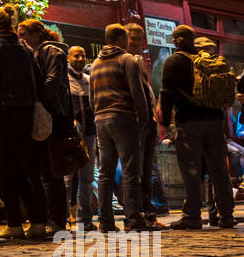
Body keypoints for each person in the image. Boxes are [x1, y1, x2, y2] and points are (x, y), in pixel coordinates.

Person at [0, 6, 47, 239]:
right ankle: (38, 222)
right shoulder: (25, 47)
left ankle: (15, 224)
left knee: (7, 169)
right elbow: (38, 79)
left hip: (1, 112)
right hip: (25, 111)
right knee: (27, 167)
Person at [159, 24, 235, 229]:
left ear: (175, 41)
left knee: (191, 170)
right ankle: (226, 216)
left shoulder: (174, 62)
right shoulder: (204, 61)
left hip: (189, 122)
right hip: (215, 122)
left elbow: (166, 95)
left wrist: (165, 124)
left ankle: (192, 216)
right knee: (219, 170)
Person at [89, 23, 149, 232]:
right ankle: (134, 220)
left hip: (100, 119)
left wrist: (98, 114)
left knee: (105, 171)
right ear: (121, 39)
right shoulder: (127, 60)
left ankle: (105, 222)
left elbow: (91, 98)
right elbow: (137, 91)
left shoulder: (95, 63)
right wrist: (144, 117)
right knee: (130, 171)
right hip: (123, 117)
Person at [18, 19, 74, 232]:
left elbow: (53, 80)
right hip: (48, 115)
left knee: (53, 172)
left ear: (35, 34)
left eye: (23, 34)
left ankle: (58, 220)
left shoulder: (50, 51)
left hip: (53, 116)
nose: (21, 39)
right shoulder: (36, 53)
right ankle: (52, 218)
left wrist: (39, 102)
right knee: (45, 170)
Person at [125, 23, 167, 227]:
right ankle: (135, 215)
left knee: (147, 168)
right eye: (132, 38)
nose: (136, 42)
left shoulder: (138, 60)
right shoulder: (123, 60)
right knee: (135, 171)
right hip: (135, 122)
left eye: (139, 38)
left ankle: (148, 214)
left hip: (148, 121)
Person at [66, 46, 96, 230]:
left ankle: (85, 220)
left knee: (87, 178)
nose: (80, 58)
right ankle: (65, 219)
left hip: (90, 134)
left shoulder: (89, 80)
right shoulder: (64, 79)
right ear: (69, 57)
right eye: (76, 55)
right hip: (70, 135)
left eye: (83, 55)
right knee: (67, 179)